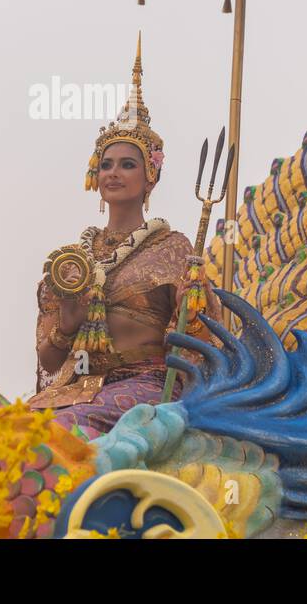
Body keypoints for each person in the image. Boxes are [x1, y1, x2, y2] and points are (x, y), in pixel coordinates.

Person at [27, 36, 222, 438]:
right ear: (95, 177)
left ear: (150, 175)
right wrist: (67, 322)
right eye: (107, 165)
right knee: (8, 433)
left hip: (145, 389)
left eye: (128, 164)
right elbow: (48, 360)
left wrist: (194, 307)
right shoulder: (73, 262)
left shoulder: (174, 249)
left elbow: (202, 343)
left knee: (66, 433)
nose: (114, 173)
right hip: (77, 387)